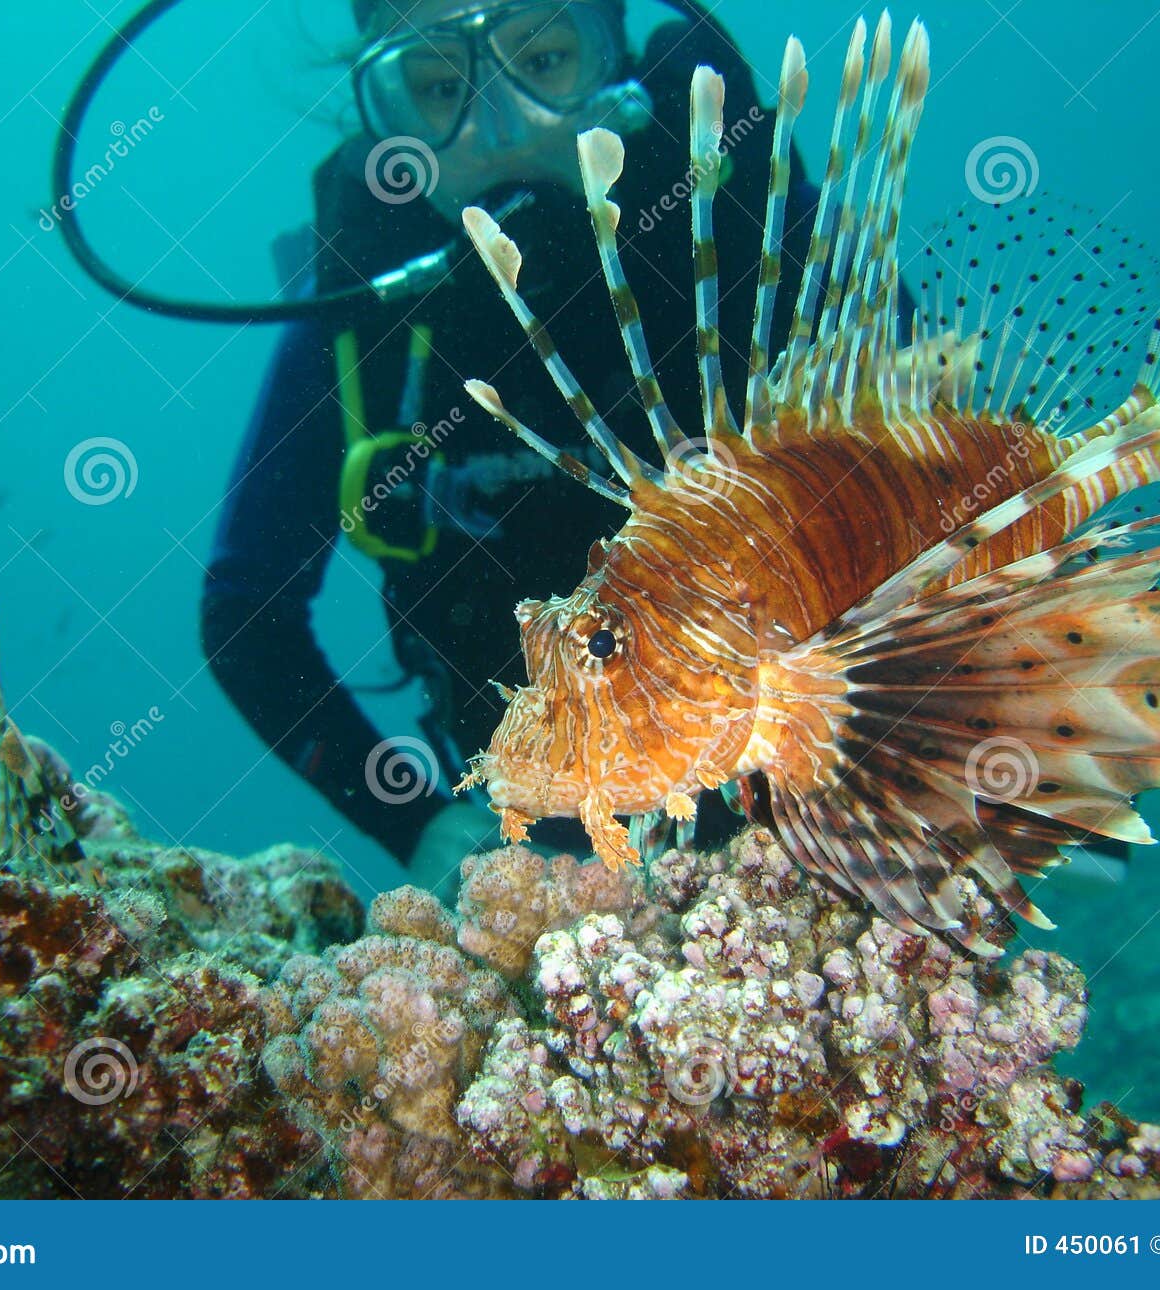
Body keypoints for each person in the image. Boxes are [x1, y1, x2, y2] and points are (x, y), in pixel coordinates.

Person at [202, 0, 840, 888]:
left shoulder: (742, 224)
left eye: (542, 63)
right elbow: (246, 614)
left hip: (824, 785)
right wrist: (411, 819)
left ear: (608, 53)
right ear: (386, 114)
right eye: (436, 87)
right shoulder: (368, 308)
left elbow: (949, 471)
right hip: (551, 837)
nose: (499, 128)